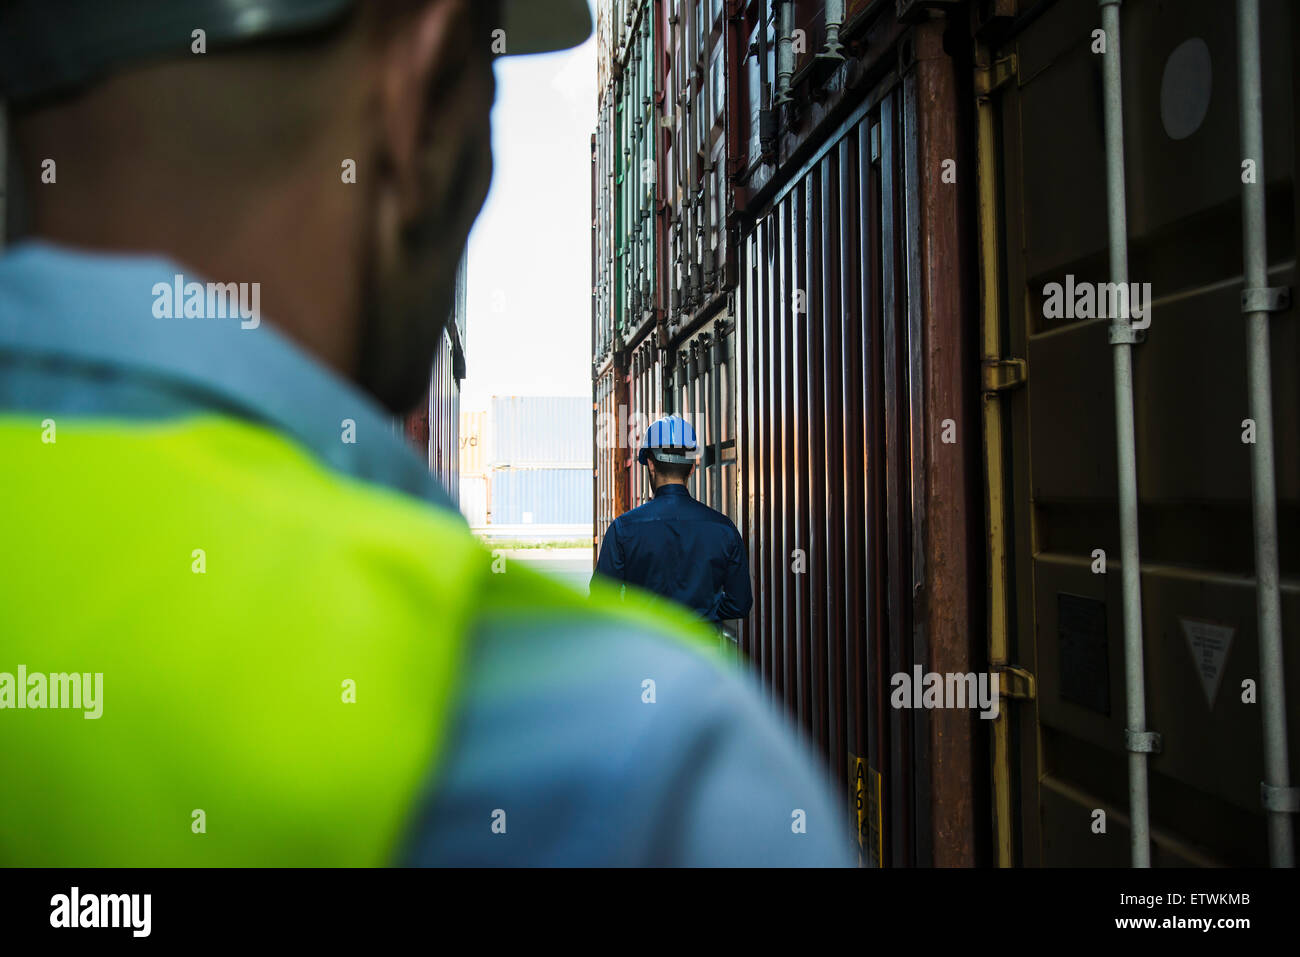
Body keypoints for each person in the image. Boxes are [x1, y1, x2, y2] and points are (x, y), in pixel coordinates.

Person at [0, 0, 852, 866]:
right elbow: (737, 613)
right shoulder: (653, 770)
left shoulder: (629, 549)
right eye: (484, 99)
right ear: (421, 89)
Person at [593, 415, 753, 629]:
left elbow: (601, 601)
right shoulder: (723, 529)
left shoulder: (623, 529)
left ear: (650, 464)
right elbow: (739, 604)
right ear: (692, 467)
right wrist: (703, 613)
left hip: (645, 649)